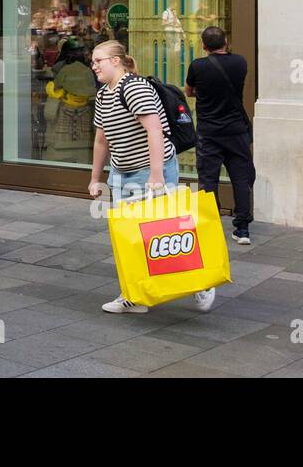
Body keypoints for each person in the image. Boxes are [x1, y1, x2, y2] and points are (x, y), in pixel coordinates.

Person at [87, 39, 215, 314]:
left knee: (167, 232)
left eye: (99, 60)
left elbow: (154, 130)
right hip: (122, 172)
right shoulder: (102, 94)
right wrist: (95, 177)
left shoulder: (134, 88)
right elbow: (101, 140)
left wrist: (156, 175)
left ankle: (201, 283)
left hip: (150, 169)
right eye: (93, 61)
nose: (93, 65)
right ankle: (133, 294)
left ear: (116, 61)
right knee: (129, 237)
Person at [185, 25, 254, 245]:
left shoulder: (198, 66)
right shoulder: (240, 62)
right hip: (236, 131)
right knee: (241, 179)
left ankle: (211, 227)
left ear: (204, 46)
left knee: (208, 181)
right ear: (226, 42)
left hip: (209, 132)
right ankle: (242, 229)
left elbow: (189, 91)